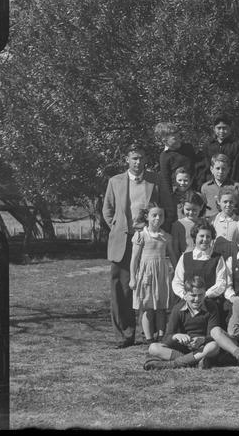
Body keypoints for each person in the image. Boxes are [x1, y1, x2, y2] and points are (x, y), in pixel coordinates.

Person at [102, 142, 160, 348]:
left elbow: (164, 207)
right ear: (127, 160)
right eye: (134, 158)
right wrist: (117, 228)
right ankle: (124, 335)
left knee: (150, 285)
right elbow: (107, 210)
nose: (138, 162)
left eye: (141, 157)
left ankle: (151, 333)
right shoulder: (115, 181)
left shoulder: (155, 180)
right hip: (124, 241)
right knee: (122, 288)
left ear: (146, 160)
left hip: (148, 239)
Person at [143, 275, 221, 370]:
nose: (197, 299)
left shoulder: (211, 307)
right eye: (193, 295)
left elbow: (214, 335)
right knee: (153, 347)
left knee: (214, 346)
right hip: (183, 349)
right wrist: (176, 336)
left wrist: (203, 339)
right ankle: (195, 361)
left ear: (205, 294)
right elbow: (166, 338)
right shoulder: (178, 309)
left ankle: (172, 364)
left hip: (202, 347)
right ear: (185, 294)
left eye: (201, 295)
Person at [129, 205, 174, 344]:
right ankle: (149, 339)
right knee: (148, 307)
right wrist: (133, 278)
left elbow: (172, 255)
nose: (157, 218)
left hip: (162, 274)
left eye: (161, 215)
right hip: (146, 274)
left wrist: (178, 271)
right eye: (154, 215)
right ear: (147, 217)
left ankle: (161, 336)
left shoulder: (166, 236)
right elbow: (134, 259)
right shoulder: (141, 235)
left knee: (161, 307)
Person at [171, 220, 227, 307]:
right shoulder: (185, 258)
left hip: (209, 302)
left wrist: (203, 296)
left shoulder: (217, 258)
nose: (205, 239)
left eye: (208, 236)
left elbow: (221, 282)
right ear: (195, 237)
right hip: (187, 302)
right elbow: (177, 281)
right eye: (201, 236)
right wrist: (185, 296)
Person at [155, 122, 199, 229]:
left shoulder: (188, 148)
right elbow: (165, 181)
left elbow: (196, 168)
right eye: (173, 137)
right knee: (179, 224)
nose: (177, 138)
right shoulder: (165, 156)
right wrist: (170, 203)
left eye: (177, 135)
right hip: (176, 195)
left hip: (192, 191)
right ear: (164, 140)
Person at [198, 114, 239, 186]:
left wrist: (233, 182)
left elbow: (237, 166)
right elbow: (205, 166)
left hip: (230, 183)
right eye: (219, 128)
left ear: (230, 128)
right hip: (211, 183)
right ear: (214, 129)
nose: (222, 131)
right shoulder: (208, 145)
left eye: (224, 128)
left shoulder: (236, 145)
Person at [200, 153, 239, 219]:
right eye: (217, 168)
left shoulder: (235, 186)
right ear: (211, 169)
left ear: (228, 170)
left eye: (223, 169)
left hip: (229, 221)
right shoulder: (205, 187)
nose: (220, 171)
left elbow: (238, 207)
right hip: (211, 222)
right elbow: (202, 208)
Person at [169, 192, 205, 262]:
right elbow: (175, 249)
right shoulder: (178, 225)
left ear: (201, 207)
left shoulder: (205, 223)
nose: (191, 212)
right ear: (182, 206)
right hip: (186, 261)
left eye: (194, 210)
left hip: (203, 260)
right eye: (188, 209)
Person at [211, 191, 239, 258]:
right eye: (225, 202)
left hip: (234, 256)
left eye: (231, 202)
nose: (228, 205)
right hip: (216, 255)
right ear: (218, 202)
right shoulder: (213, 220)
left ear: (235, 202)